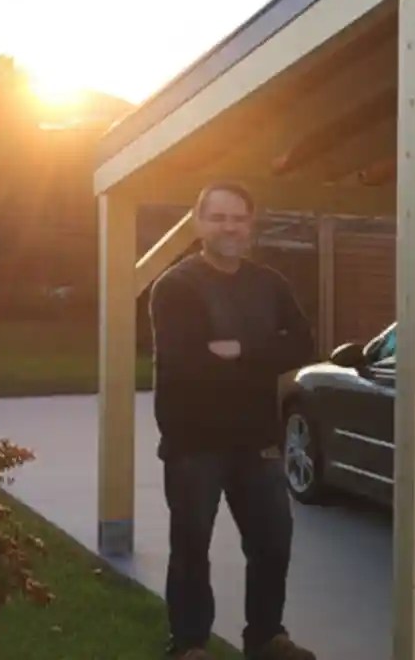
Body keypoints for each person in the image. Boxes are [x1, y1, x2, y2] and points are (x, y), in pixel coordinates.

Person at [149, 182, 316, 660]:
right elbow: (187, 363)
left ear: (250, 224)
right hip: (192, 443)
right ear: (199, 223)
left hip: (257, 441)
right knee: (191, 549)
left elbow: (303, 343)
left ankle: (265, 638)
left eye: (238, 218)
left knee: (272, 544)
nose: (229, 227)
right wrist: (264, 356)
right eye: (218, 217)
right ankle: (190, 645)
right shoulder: (176, 287)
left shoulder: (269, 284)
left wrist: (240, 350)